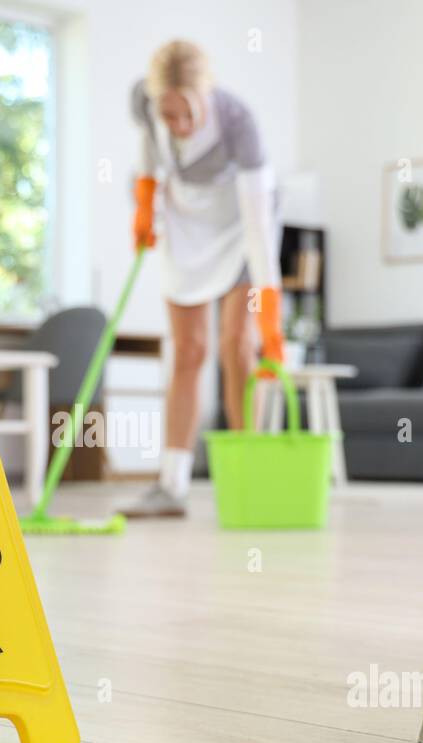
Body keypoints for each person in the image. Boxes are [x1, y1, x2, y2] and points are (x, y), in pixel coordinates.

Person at [123, 39, 284, 518]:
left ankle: (249, 476)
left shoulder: (238, 122)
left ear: (205, 93)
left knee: (238, 346)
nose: (178, 124)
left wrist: (270, 308)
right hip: (187, 226)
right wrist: (144, 207)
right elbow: (148, 164)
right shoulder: (148, 106)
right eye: (168, 114)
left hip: (240, 230)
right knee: (189, 352)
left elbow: (259, 224)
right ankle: (171, 486)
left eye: (186, 113)